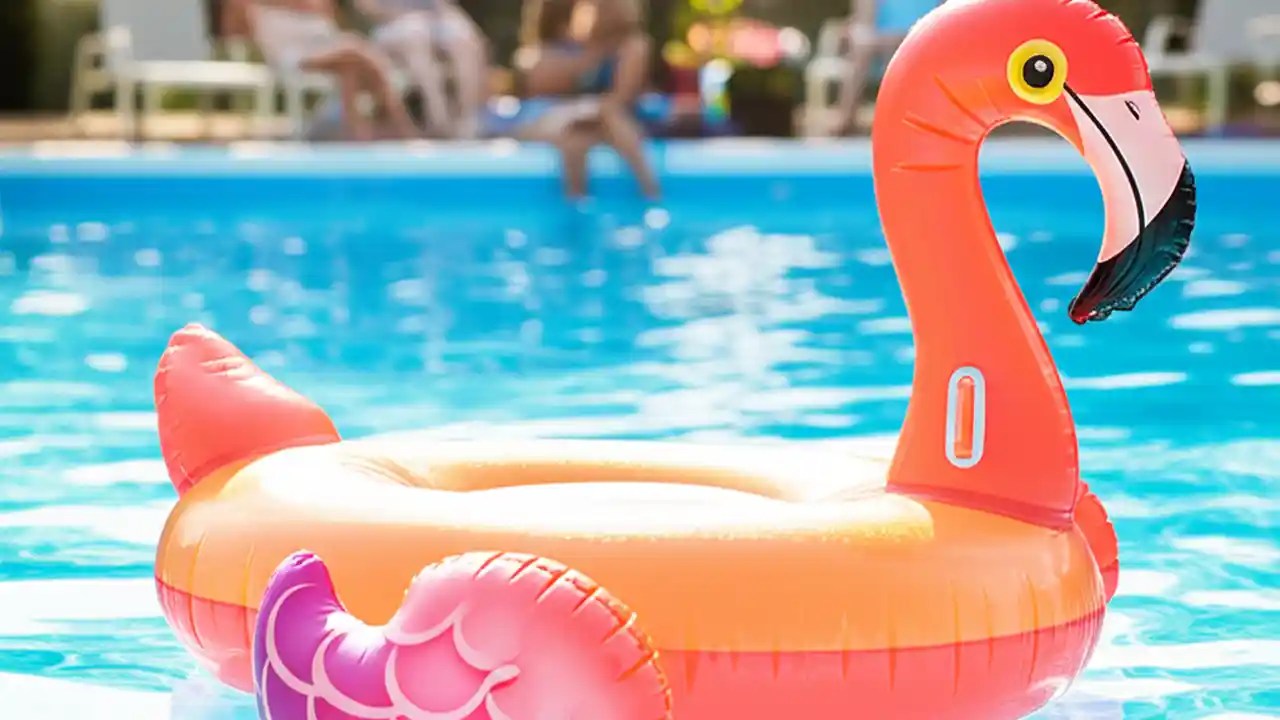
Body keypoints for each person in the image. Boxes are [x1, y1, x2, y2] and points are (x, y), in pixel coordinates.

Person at [511, 0, 660, 200]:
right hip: (571, 120)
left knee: (605, 118)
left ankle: (648, 190)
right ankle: (581, 202)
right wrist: (592, 57)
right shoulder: (571, 48)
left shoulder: (632, 46)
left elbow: (621, 98)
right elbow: (538, 85)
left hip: (604, 120)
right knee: (576, 139)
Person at [225, 0, 419, 140]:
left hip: (322, 48)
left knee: (350, 67)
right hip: (291, 56)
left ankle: (359, 134)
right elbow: (234, 33)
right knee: (353, 50)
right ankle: (403, 129)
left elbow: (325, 11)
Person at [356, 0, 491, 138]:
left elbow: (443, 6)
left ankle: (468, 122)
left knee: (465, 39)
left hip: (432, 22)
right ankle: (438, 120)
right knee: (416, 35)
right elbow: (367, 7)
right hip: (391, 24)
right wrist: (402, 16)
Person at [834, 0, 942, 135]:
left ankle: (897, 121)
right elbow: (863, 22)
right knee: (862, 49)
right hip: (881, 40)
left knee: (885, 48)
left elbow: (943, 16)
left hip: (921, 35)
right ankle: (847, 121)